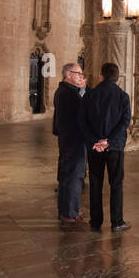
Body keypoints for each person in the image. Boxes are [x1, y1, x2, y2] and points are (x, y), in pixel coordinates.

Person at [82, 62, 132, 232]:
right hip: (115, 147)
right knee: (116, 183)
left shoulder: (90, 95)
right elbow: (124, 122)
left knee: (95, 183)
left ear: (101, 76)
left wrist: (95, 141)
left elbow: (83, 122)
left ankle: (95, 222)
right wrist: (108, 141)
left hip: (95, 148)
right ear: (117, 77)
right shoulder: (123, 96)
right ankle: (117, 222)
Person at [52, 62, 87, 224]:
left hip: (68, 139)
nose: (81, 76)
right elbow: (83, 113)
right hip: (74, 141)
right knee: (74, 176)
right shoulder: (69, 94)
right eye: (78, 73)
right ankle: (70, 213)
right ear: (68, 75)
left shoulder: (65, 91)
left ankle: (65, 211)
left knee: (67, 176)